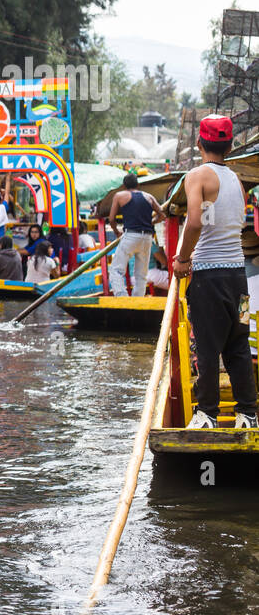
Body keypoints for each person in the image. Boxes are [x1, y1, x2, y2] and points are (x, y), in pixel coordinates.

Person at [176, 115, 257, 429]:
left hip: (209, 276)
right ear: (231, 144)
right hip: (239, 278)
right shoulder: (236, 180)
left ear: (199, 143)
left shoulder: (197, 175)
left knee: (207, 346)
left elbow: (195, 222)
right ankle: (248, 414)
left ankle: (206, 414)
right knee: (238, 343)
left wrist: (182, 259)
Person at [108, 172, 166, 297]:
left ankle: (122, 297)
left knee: (116, 270)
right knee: (141, 274)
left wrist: (117, 232)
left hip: (131, 235)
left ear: (124, 186)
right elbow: (162, 215)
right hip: (147, 238)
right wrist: (152, 222)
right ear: (138, 185)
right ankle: (137, 300)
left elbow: (111, 219)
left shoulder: (120, 195)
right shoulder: (149, 197)